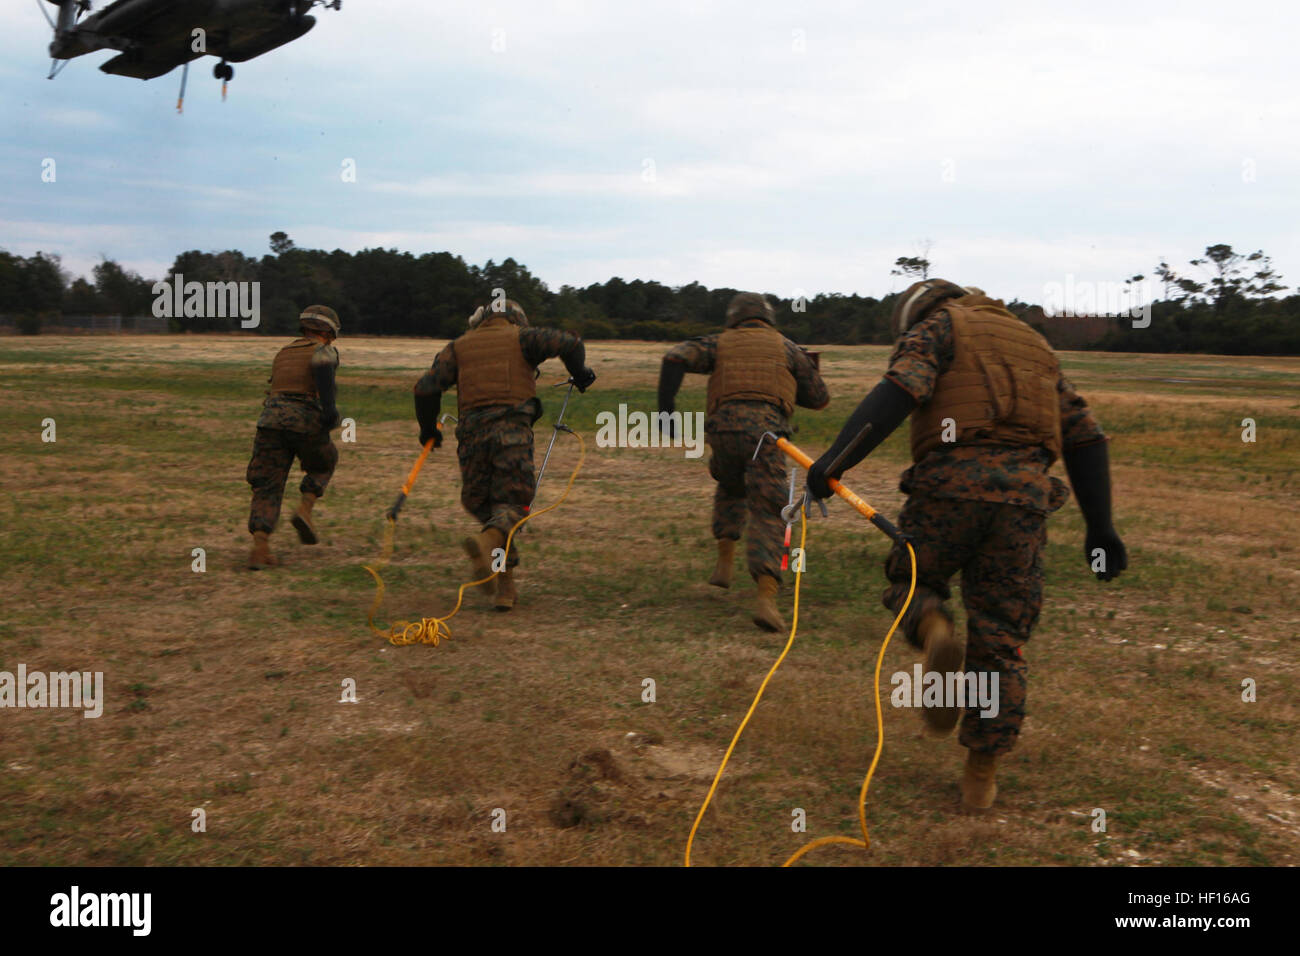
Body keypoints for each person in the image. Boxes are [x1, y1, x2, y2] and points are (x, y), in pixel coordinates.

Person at [806, 279, 1127, 813]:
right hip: (1025, 500)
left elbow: (898, 392)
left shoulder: (939, 326)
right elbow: (1085, 435)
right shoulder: (1037, 347)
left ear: (915, 314)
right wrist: (1102, 528)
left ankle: (935, 630)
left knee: (914, 579)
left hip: (948, 487)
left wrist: (835, 461)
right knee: (1002, 637)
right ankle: (981, 775)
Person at [658, 292, 829, 632]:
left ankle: (724, 560)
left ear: (733, 318)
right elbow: (819, 398)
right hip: (766, 435)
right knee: (768, 508)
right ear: (769, 318)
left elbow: (674, 358)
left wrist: (666, 415)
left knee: (730, 484)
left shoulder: (719, 343)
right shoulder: (788, 348)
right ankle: (765, 597)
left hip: (724, 431)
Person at [413, 299, 595, 611]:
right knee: (513, 505)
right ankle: (486, 547)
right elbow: (571, 343)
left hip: (471, 436)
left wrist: (428, 430)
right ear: (516, 319)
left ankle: (504, 587)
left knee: (484, 506)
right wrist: (579, 374)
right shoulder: (523, 337)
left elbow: (425, 389)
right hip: (511, 432)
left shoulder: (458, 347)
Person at [246, 305, 342, 569]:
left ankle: (260, 547)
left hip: (269, 422)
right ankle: (305, 510)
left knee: (267, 484)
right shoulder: (323, 350)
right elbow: (323, 373)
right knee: (324, 462)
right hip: (304, 420)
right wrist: (331, 412)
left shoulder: (283, 352)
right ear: (326, 331)